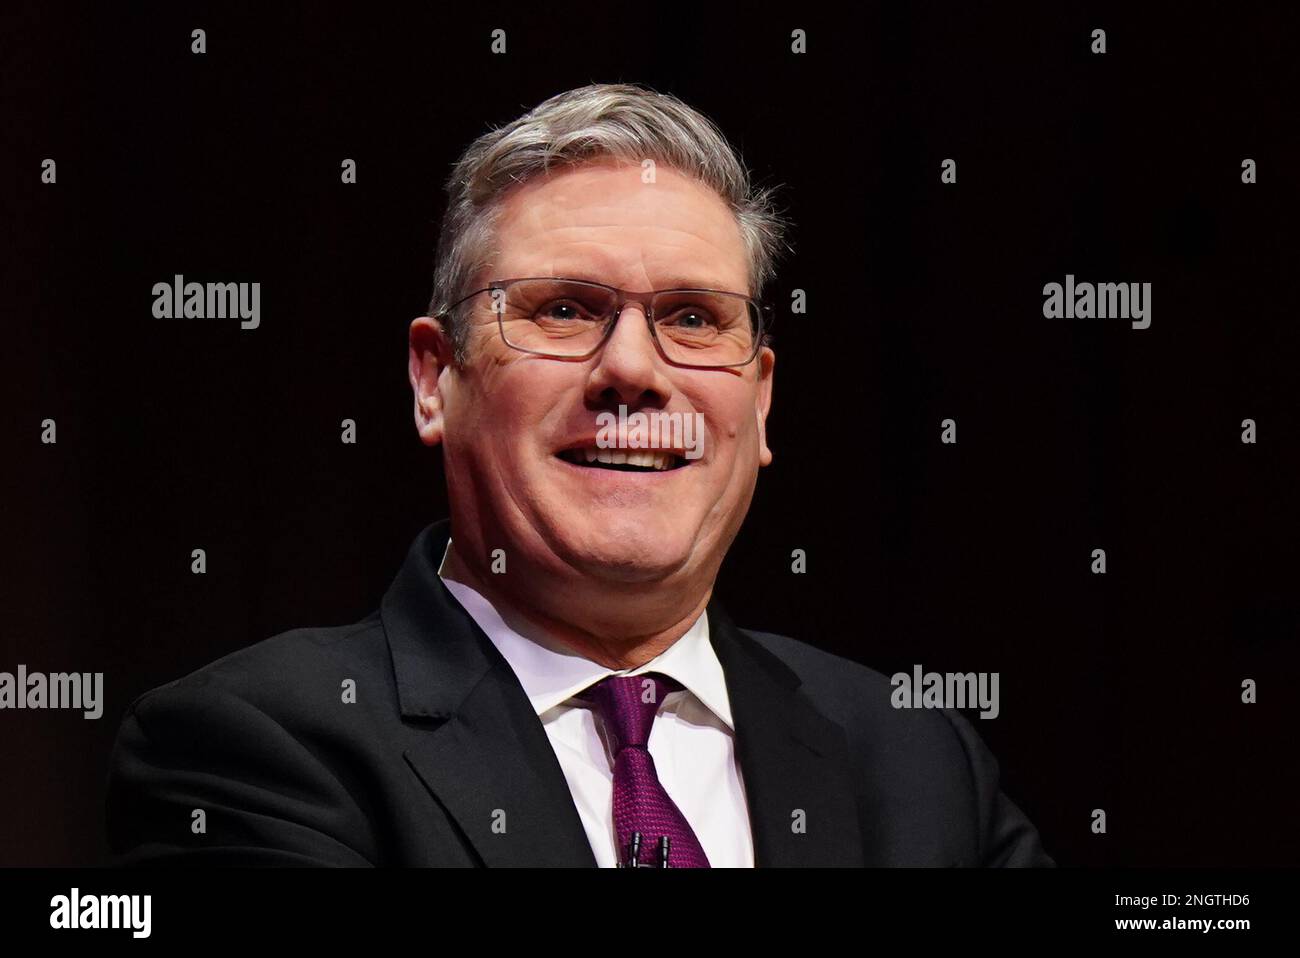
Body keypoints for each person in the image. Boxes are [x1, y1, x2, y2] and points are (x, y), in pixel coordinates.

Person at [106, 82, 1053, 867]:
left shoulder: (915, 761)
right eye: (563, 308)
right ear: (437, 381)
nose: (634, 371)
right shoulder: (256, 747)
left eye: (691, 318)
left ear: (759, 403)